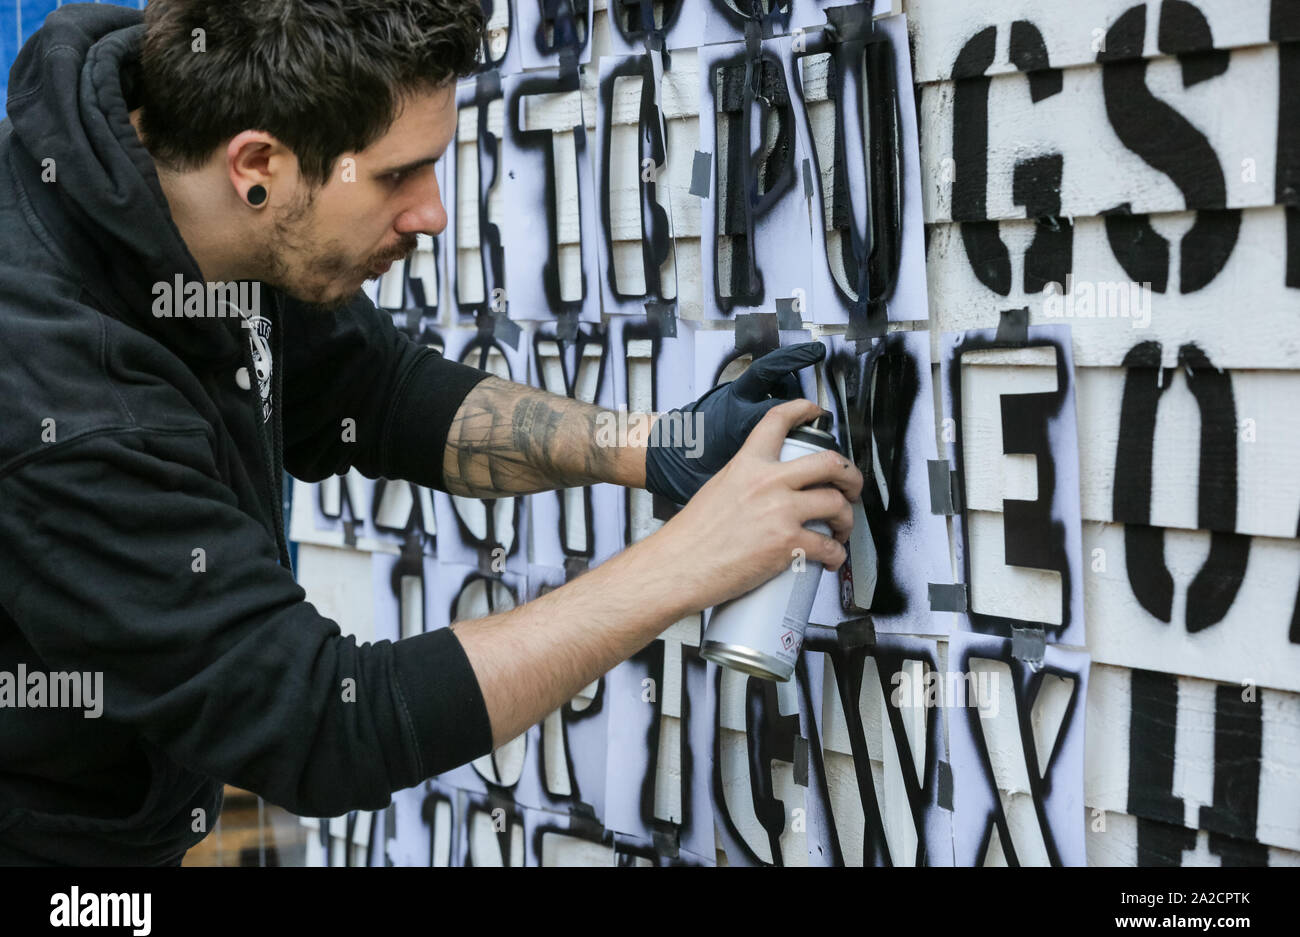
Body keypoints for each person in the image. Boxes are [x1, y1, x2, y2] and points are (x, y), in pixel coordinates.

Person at [0, 0, 859, 865]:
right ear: (255, 166)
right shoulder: (58, 392)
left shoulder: (186, 186)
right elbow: (320, 725)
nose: (433, 215)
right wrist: (684, 564)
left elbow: (375, 392)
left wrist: (651, 445)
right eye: (395, 177)